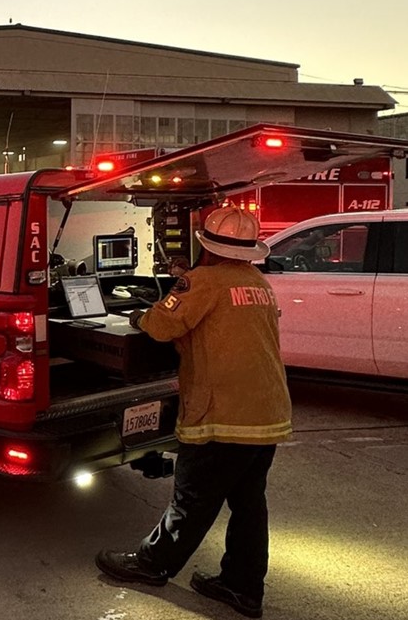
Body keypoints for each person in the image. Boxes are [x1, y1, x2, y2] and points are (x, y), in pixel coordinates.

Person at [95, 207, 292, 619]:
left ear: (208, 245)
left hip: (223, 415)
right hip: (266, 413)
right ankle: (242, 587)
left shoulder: (202, 282)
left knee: (192, 499)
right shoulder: (256, 282)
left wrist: (139, 311)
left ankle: (152, 565)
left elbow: (160, 326)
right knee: (249, 505)